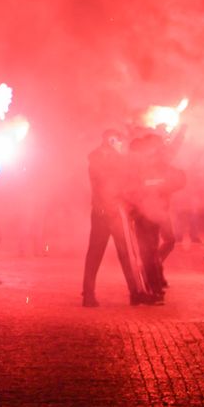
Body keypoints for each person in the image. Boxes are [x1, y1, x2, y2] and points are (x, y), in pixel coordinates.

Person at [83, 129, 145, 306]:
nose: (121, 144)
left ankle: (134, 292)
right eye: (118, 141)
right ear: (110, 141)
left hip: (110, 210)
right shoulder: (101, 159)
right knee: (101, 253)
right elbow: (109, 184)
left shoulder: (106, 158)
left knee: (121, 253)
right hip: (108, 211)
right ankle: (89, 293)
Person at [124, 130, 186, 302]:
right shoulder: (141, 164)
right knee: (148, 250)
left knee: (150, 250)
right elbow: (130, 186)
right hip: (143, 212)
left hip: (154, 211)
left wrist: (160, 188)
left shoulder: (157, 164)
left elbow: (176, 179)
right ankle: (154, 287)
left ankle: (155, 287)